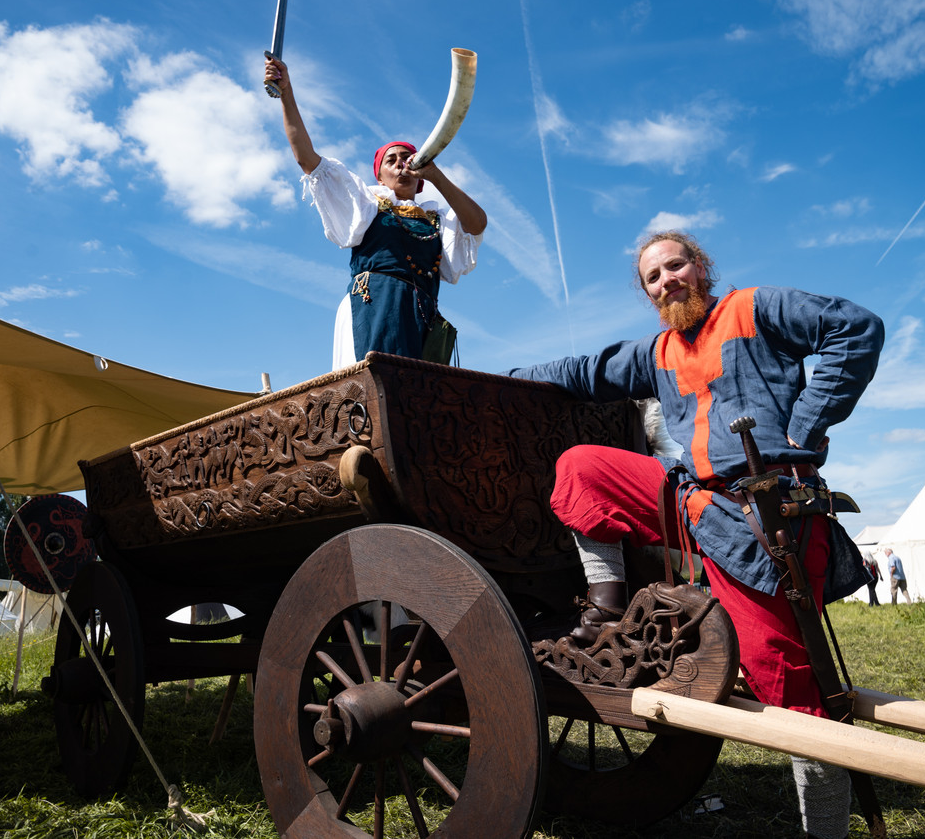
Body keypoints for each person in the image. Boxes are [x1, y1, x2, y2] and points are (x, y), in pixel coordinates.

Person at [506, 230, 884, 839]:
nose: (667, 282)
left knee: (792, 692)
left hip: (770, 521)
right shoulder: (657, 352)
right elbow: (584, 370)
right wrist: (509, 377)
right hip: (693, 504)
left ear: (700, 267)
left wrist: (804, 429)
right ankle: (605, 606)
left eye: (675, 266)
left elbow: (857, 328)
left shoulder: (755, 308)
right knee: (583, 469)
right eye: (653, 277)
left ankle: (826, 833)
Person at [264, 56, 487, 369]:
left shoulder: (437, 217)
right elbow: (306, 159)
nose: (401, 162)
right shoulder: (367, 203)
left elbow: (477, 224)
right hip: (374, 305)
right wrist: (286, 93)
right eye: (391, 160)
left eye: (409, 157)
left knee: (416, 400)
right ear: (379, 176)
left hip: (420, 312)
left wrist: (436, 175)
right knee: (372, 392)